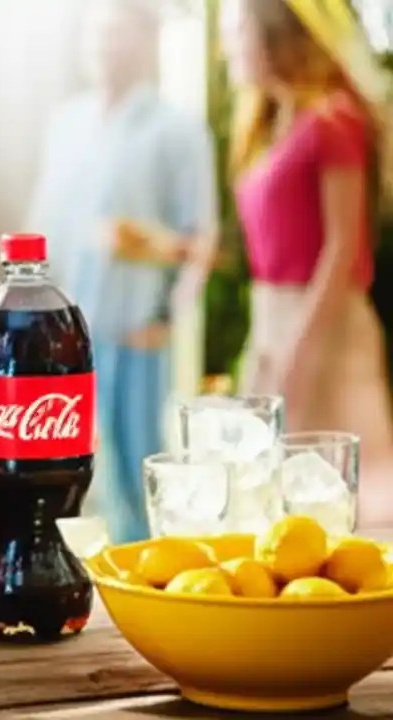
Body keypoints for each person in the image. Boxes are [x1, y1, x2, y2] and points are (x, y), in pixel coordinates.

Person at [27, 0, 218, 544]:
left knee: (139, 464)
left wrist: (167, 312)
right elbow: (42, 227)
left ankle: (144, 582)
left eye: (121, 34)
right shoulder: (67, 123)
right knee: (69, 467)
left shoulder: (178, 130)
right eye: (100, 33)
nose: (107, 45)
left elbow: (200, 240)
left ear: (147, 41)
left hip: (137, 331)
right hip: (67, 336)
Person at [222, 0, 393, 526]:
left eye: (241, 31)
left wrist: (302, 346)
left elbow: (342, 247)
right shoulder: (270, 123)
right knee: (270, 485)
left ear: (278, 37)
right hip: (273, 317)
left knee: (350, 485)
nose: (229, 47)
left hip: (326, 323)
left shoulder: (333, 118)